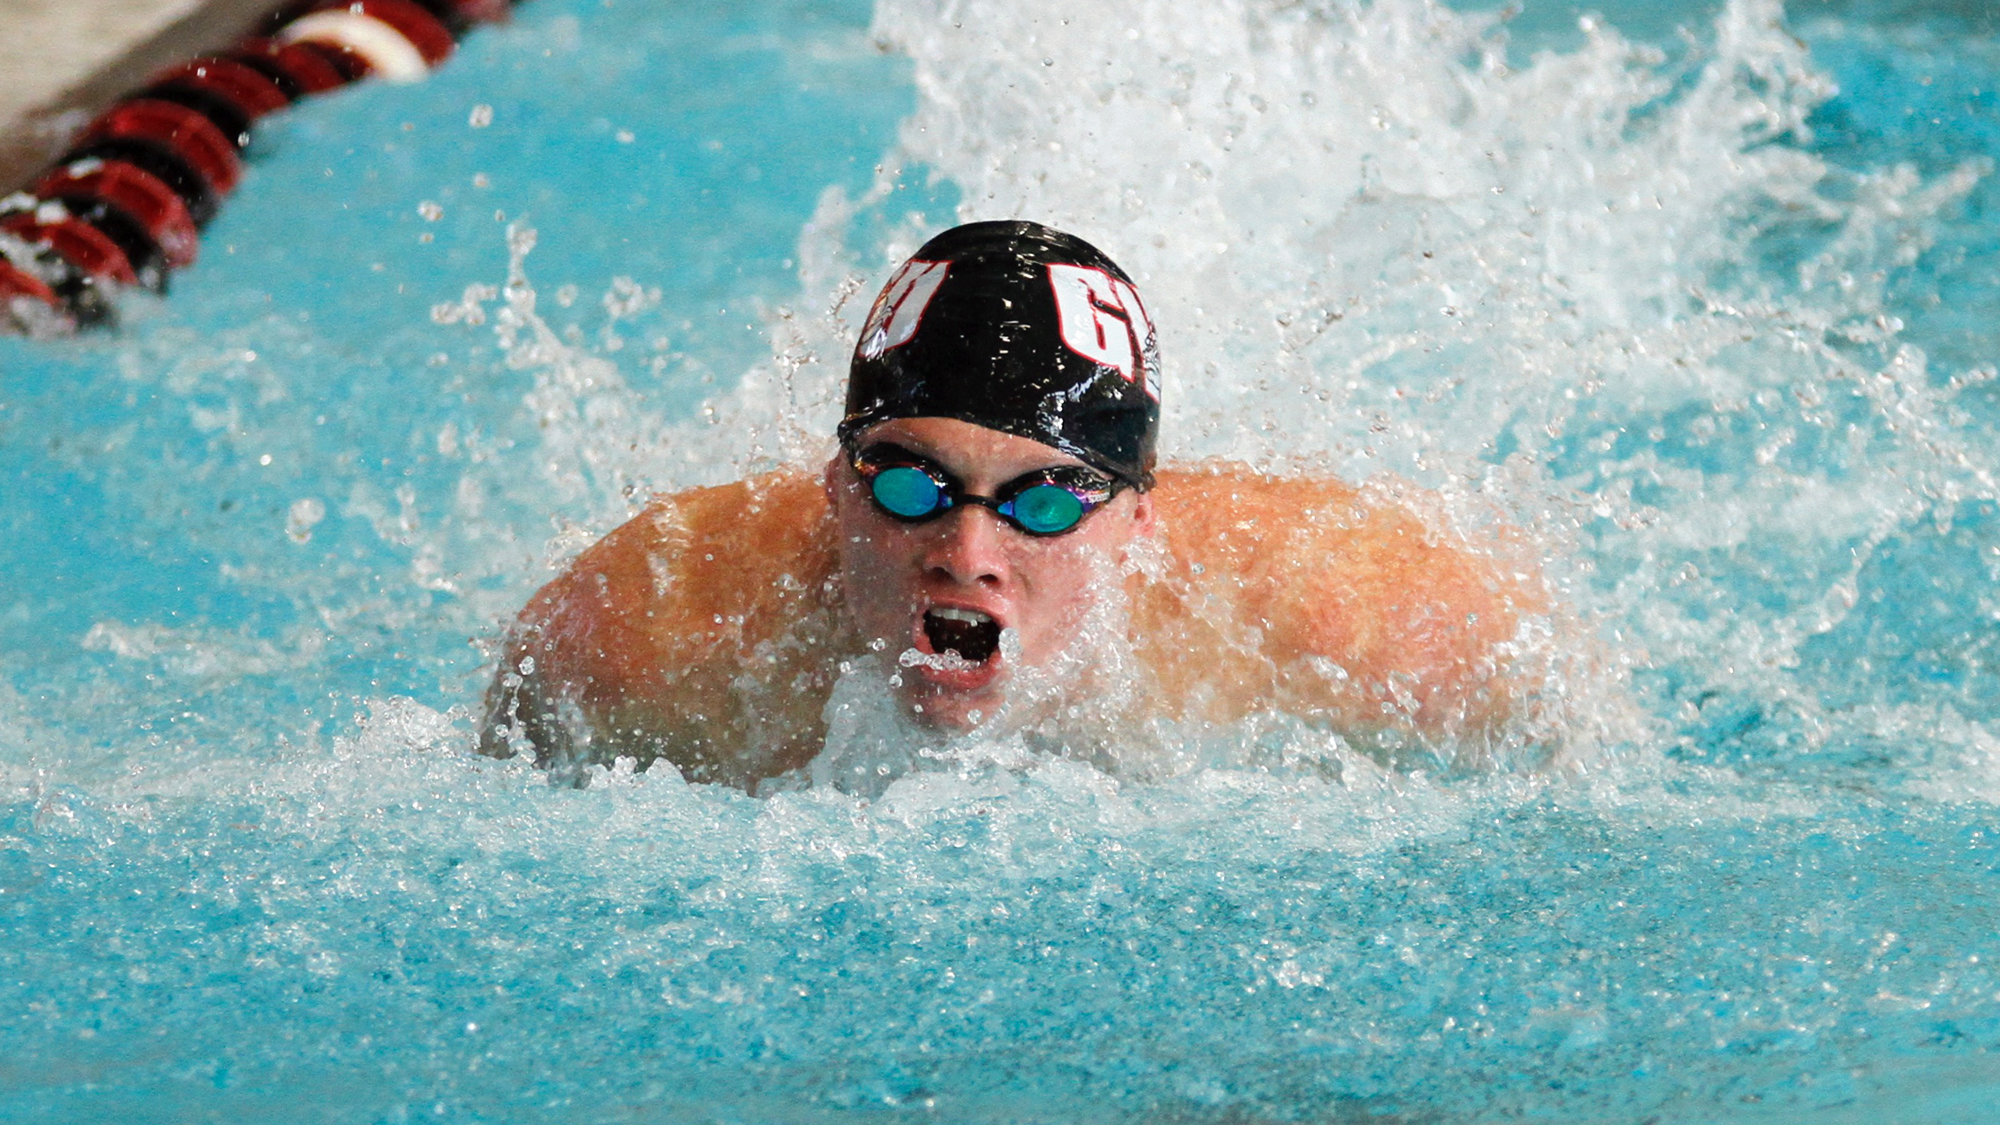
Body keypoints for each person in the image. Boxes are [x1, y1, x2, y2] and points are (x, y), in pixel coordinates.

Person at [478, 220, 1546, 790]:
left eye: (1041, 504)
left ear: (1138, 527)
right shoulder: (638, 637)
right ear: (831, 492)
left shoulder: (1343, 619)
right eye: (909, 486)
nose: (964, 552)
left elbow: (1573, 758)